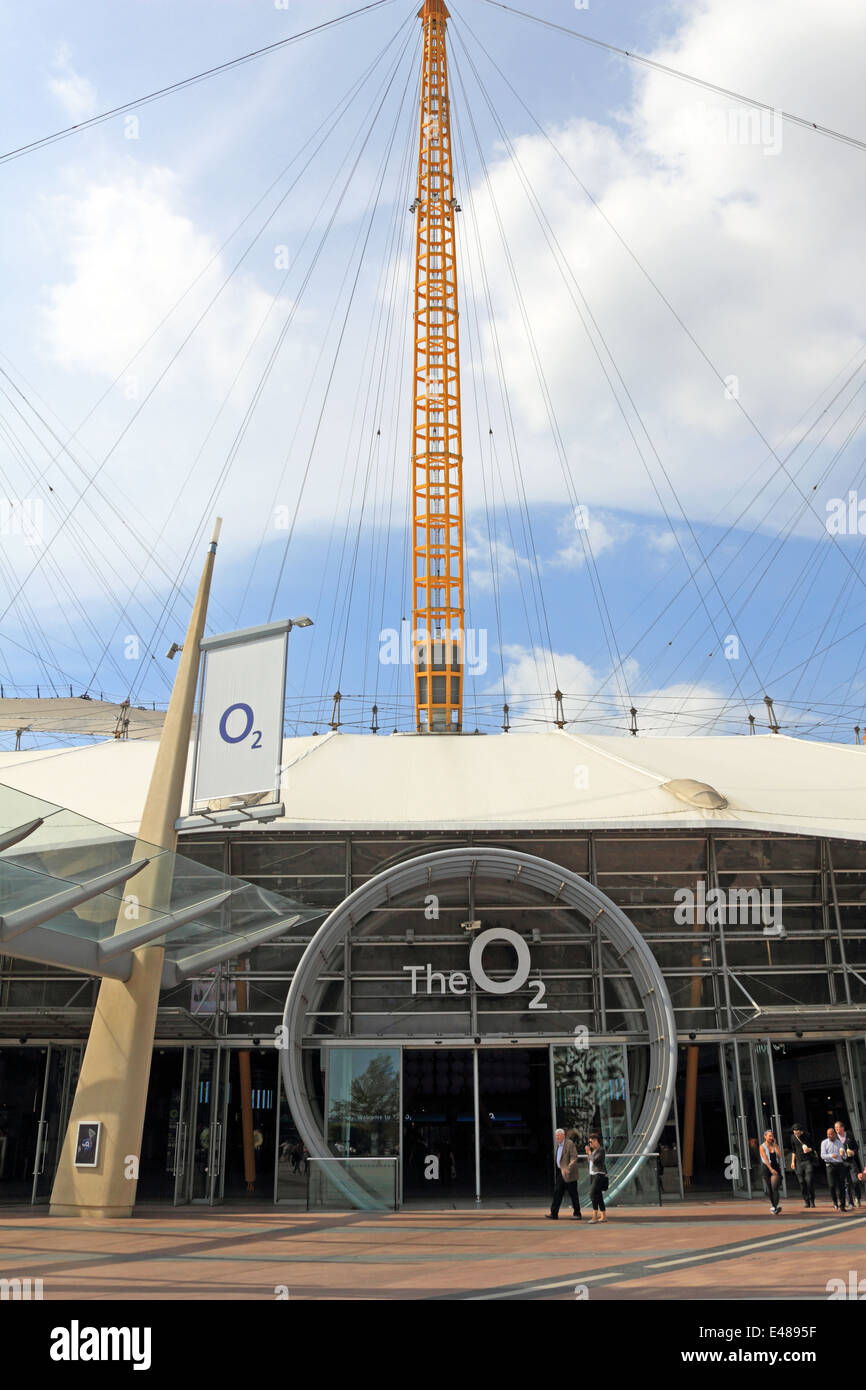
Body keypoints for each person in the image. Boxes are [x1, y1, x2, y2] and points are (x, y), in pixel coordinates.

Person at [546, 1127, 581, 1220]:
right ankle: (554, 1213)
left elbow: (574, 1157)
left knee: (573, 1194)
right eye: (556, 1136)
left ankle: (577, 1214)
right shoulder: (559, 1145)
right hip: (560, 1172)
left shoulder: (569, 1144)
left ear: (563, 1136)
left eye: (558, 1136)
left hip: (569, 1173)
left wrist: (569, 1167)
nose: (557, 1137)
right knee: (557, 1193)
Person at [833, 1121, 862, 1209]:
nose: (836, 1129)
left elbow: (856, 1147)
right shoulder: (835, 1138)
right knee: (846, 1183)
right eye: (835, 1128)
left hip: (851, 1161)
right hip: (842, 1163)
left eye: (838, 1127)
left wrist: (853, 1152)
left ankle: (857, 1197)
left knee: (855, 1181)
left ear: (842, 1128)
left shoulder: (849, 1135)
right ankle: (850, 1202)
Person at [789, 1125, 818, 1209]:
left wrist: (809, 1149)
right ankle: (806, 1201)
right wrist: (792, 1162)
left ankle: (812, 1200)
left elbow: (814, 1146)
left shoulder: (807, 1135)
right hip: (798, 1162)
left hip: (808, 1161)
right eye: (794, 1132)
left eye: (797, 1132)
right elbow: (793, 1150)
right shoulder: (793, 1137)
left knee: (809, 1180)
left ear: (800, 1130)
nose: (795, 1133)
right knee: (801, 1182)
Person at [821, 1126, 849, 1212]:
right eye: (828, 1134)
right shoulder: (824, 1143)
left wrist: (844, 1154)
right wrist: (831, 1155)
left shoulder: (839, 1142)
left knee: (841, 1185)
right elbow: (822, 1155)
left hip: (839, 1165)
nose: (829, 1135)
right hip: (830, 1165)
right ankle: (835, 1202)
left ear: (834, 1134)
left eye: (831, 1134)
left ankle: (842, 1205)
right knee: (831, 1185)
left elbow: (844, 1156)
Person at [759, 1130, 783, 1214]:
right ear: (765, 1137)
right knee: (769, 1188)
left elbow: (780, 1155)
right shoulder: (762, 1146)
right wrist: (770, 1169)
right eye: (769, 1136)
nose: (771, 1137)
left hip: (775, 1167)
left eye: (772, 1136)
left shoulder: (774, 1145)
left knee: (774, 1187)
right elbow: (765, 1159)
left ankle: (775, 1207)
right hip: (766, 1168)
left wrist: (775, 1144)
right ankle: (773, 1206)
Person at [586, 1134, 608, 1223]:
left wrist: (589, 1153)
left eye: (591, 1142)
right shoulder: (594, 1151)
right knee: (598, 1195)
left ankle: (594, 1217)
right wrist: (590, 1154)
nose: (590, 1144)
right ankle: (603, 1216)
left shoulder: (601, 1150)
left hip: (599, 1174)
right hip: (593, 1174)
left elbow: (595, 1160)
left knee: (592, 1194)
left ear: (596, 1141)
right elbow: (590, 1160)